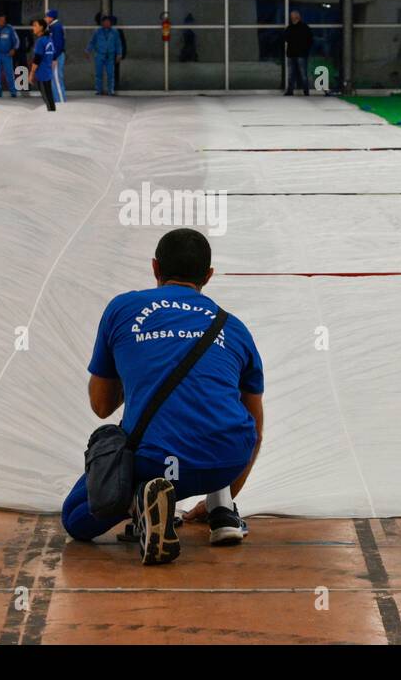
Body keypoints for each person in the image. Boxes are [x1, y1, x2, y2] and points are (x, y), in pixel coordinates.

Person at [61, 228, 265, 565]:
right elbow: (255, 425)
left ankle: (140, 502)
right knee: (213, 411)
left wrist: (142, 366)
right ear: (209, 276)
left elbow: (101, 406)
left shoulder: (123, 308)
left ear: (155, 268)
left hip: (158, 462)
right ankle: (223, 509)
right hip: (225, 460)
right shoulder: (235, 327)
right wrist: (229, 483)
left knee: (76, 518)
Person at [87, 15, 121, 95]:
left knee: (110, 74)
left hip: (110, 55)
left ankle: (111, 90)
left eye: (108, 22)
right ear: (102, 23)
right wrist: (87, 50)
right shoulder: (97, 32)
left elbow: (118, 44)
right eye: (105, 22)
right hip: (99, 55)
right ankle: (98, 90)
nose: (106, 24)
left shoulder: (115, 32)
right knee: (98, 73)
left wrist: (119, 54)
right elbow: (92, 42)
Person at [282, 10, 313, 95]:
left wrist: (305, 50)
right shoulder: (290, 28)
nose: (292, 18)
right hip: (292, 54)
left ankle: (305, 91)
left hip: (301, 54)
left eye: (293, 16)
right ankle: (290, 91)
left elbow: (310, 40)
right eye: (291, 16)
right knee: (291, 74)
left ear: (297, 17)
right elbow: (285, 38)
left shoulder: (304, 28)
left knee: (302, 74)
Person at [29, 18, 57, 111]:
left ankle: (52, 119)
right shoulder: (49, 39)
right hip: (48, 72)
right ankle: (52, 115)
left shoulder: (40, 41)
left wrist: (31, 74)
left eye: (35, 25)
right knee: (49, 98)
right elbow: (53, 58)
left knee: (48, 100)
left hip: (42, 74)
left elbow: (37, 59)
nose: (33, 28)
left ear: (41, 27)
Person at [45, 8, 66, 103]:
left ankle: (61, 101)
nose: (45, 18)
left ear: (51, 17)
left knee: (57, 79)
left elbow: (58, 44)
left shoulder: (56, 27)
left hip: (56, 57)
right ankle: (57, 100)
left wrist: (54, 58)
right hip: (54, 56)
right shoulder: (52, 27)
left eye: (47, 16)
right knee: (54, 79)